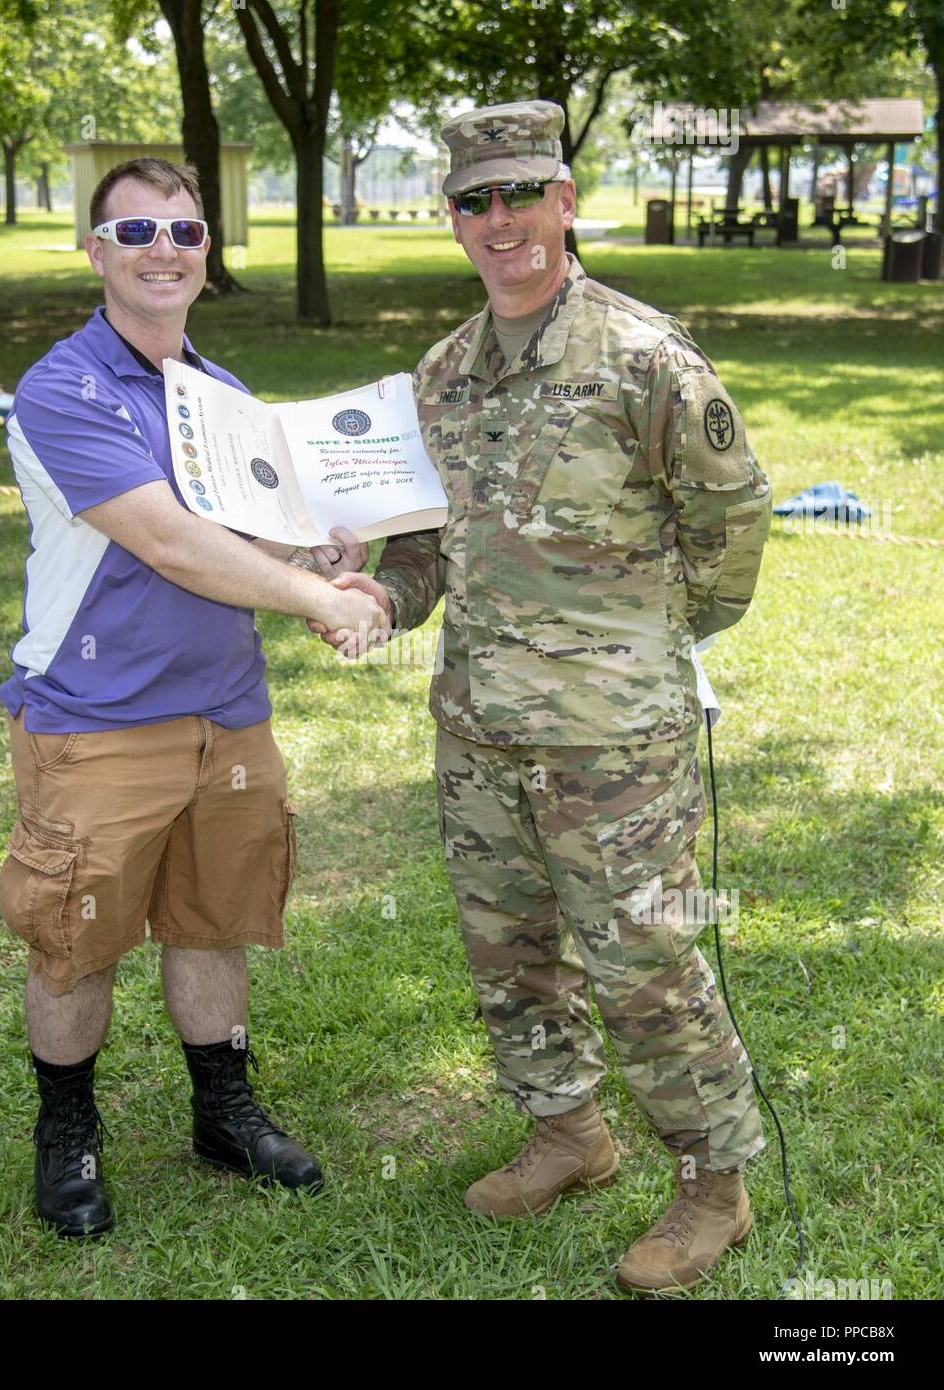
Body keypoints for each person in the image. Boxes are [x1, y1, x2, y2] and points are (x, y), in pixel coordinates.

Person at [316, 102, 772, 1292]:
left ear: (564, 202)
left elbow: (733, 521)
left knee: (647, 964)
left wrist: (644, 646)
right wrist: (380, 595)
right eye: (476, 201)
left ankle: (712, 1187)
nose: (502, 221)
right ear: (453, 220)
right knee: (509, 956)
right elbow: (425, 549)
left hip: (612, 740)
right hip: (477, 727)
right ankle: (568, 1130)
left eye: (522, 193)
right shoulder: (442, 376)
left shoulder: (643, 357)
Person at [0, 157, 387, 1238]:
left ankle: (224, 1113)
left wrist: (323, 549)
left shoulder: (217, 394)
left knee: (213, 922)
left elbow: (242, 530)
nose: (163, 250)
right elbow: (169, 537)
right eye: (135, 233)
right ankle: (66, 1133)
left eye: (184, 231)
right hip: (96, 721)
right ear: (96, 253)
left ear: (207, 253)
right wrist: (311, 588)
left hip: (230, 711)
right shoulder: (62, 387)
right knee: (74, 941)